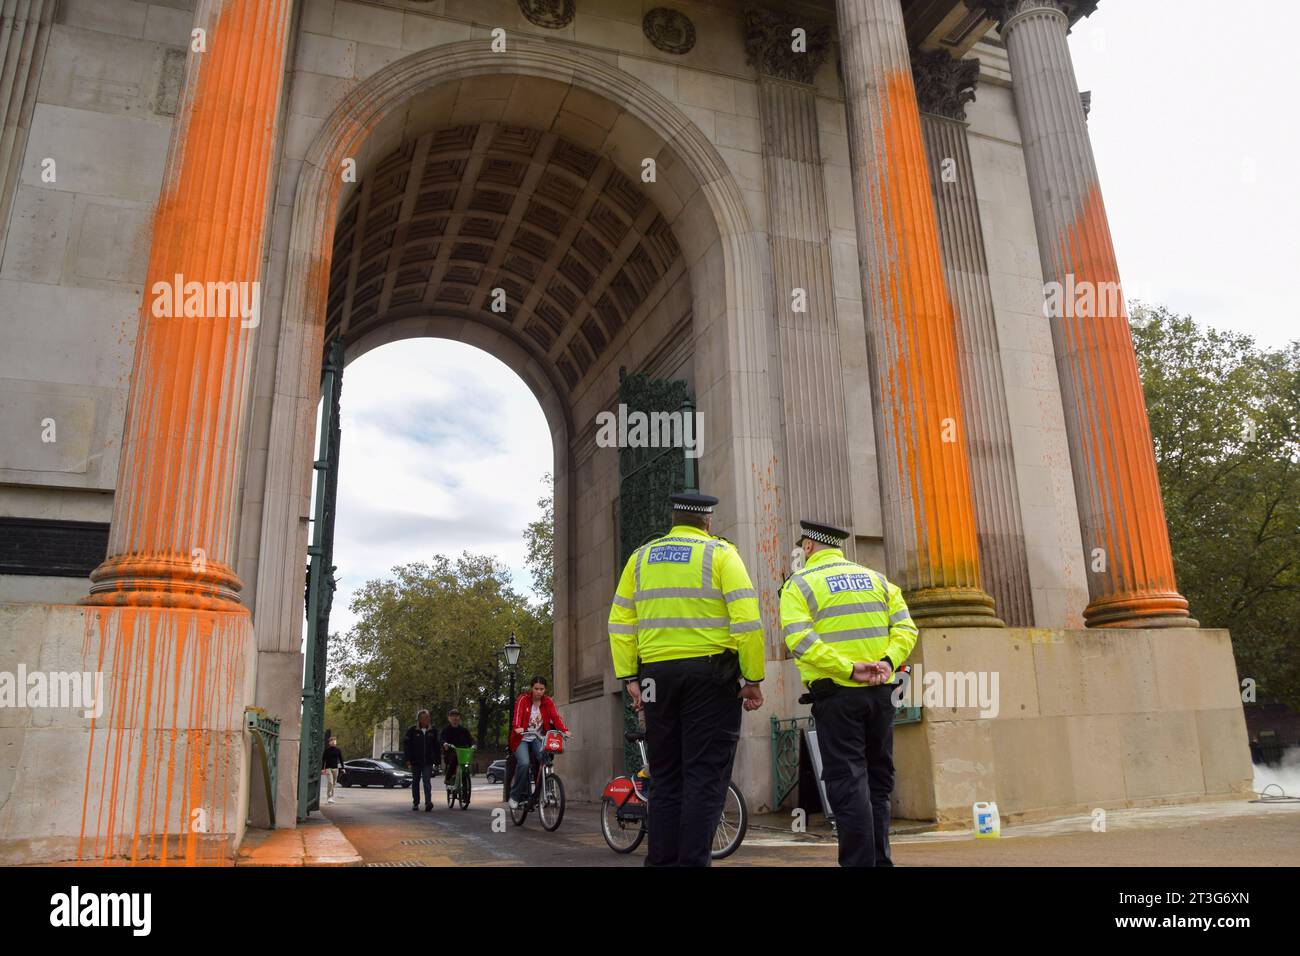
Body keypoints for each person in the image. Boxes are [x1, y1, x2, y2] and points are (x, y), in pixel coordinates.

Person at [607, 491, 765, 866]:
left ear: (674, 519)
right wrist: (753, 678)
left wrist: (630, 676)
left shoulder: (640, 558)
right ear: (707, 521)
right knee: (704, 777)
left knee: (665, 777)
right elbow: (748, 624)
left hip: (656, 677)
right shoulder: (721, 554)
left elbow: (620, 624)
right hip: (710, 678)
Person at [780, 519, 918, 867]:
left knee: (848, 781)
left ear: (809, 547)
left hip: (837, 696)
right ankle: (879, 861)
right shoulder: (878, 580)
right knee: (878, 780)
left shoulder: (800, 584)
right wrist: (887, 662)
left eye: (801, 547)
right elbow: (905, 628)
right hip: (881, 693)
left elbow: (799, 640)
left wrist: (847, 669)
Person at [508, 676, 569, 809]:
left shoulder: (548, 702)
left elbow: (555, 717)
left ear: (545, 690)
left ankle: (540, 794)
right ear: (531, 688)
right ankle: (515, 796)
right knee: (524, 763)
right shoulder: (523, 699)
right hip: (521, 738)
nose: (539, 692)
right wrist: (517, 726)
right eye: (536, 689)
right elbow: (517, 716)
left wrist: (564, 730)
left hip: (538, 737)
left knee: (545, 761)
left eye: (542, 689)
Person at [404, 709, 439, 812]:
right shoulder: (412, 730)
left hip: (427, 761)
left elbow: (436, 746)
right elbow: (407, 746)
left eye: (427, 718)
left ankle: (428, 802)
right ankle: (416, 803)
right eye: (423, 718)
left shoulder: (433, 731)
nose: (426, 720)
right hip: (415, 761)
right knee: (415, 782)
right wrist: (408, 759)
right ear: (419, 719)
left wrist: (437, 761)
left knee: (427, 782)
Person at [441, 708, 474, 786]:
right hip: (450, 752)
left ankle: (465, 780)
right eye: (452, 716)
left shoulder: (464, 730)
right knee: (454, 758)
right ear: (449, 718)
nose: (455, 718)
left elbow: (470, 740)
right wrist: (445, 744)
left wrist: (473, 745)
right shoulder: (446, 730)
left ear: (459, 718)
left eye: (456, 716)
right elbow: (441, 739)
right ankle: (448, 778)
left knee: (466, 762)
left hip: (463, 752)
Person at [321, 736, 344, 804]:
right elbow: (323, 760)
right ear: (329, 742)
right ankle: (329, 797)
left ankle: (331, 797)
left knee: (333, 783)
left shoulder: (338, 750)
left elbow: (341, 759)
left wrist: (343, 768)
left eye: (334, 740)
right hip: (328, 768)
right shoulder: (327, 750)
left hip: (335, 769)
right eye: (332, 740)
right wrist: (322, 769)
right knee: (330, 782)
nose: (333, 742)